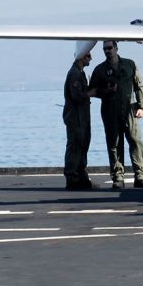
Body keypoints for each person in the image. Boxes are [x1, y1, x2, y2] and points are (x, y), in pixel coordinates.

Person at [89, 41, 143, 190]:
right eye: (105, 49)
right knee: (114, 144)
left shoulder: (130, 65)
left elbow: (138, 85)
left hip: (129, 110)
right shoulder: (100, 70)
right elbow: (92, 91)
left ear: (116, 48)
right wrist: (106, 90)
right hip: (110, 111)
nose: (107, 51)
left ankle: (140, 176)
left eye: (110, 48)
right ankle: (118, 177)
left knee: (136, 141)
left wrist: (142, 107)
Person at [62, 48, 97, 190]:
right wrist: (90, 93)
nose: (90, 58)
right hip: (76, 117)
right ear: (81, 57)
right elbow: (77, 96)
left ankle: (81, 176)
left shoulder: (80, 73)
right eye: (88, 55)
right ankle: (72, 178)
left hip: (81, 117)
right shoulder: (75, 74)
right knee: (75, 146)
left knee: (82, 145)